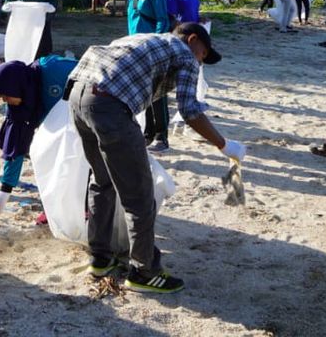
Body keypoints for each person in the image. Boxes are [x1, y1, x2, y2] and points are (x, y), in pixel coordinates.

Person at [66, 23, 244, 294]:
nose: (200, 63)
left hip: (78, 95)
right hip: (108, 105)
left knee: (102, 181)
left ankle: (100, 258)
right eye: (203, 55)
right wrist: (224, 144)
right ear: (193, 40)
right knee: (138, 196)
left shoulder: (145, 38)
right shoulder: (184, 53)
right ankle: (143, 272)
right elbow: (190, 111)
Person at [0, 55, 77, 213]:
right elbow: (15, 145)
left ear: (15, 86)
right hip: (59, 126)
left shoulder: (53, 70)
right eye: (1, 97)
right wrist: (5, 188)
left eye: (6, 95)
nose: (4, 100)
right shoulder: (17, 104)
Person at [119, 0, 172, 152]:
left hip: (152, 48)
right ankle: (148, 132)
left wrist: (156, 43)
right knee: (145, 93)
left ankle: (161, 135)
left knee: (158, 93)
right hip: (135, 48)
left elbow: (162, 20)